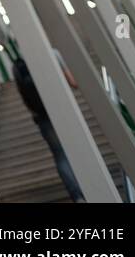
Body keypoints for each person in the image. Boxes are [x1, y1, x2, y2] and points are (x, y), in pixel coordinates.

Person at [11, 51, 84, 202]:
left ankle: (77, 196)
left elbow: (24, 96)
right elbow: (73, 82)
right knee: (77, 148)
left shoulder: (18, 65)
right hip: (62, 109)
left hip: (42, 116)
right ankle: (89, 184)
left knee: (60, 156)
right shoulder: (53, 53)